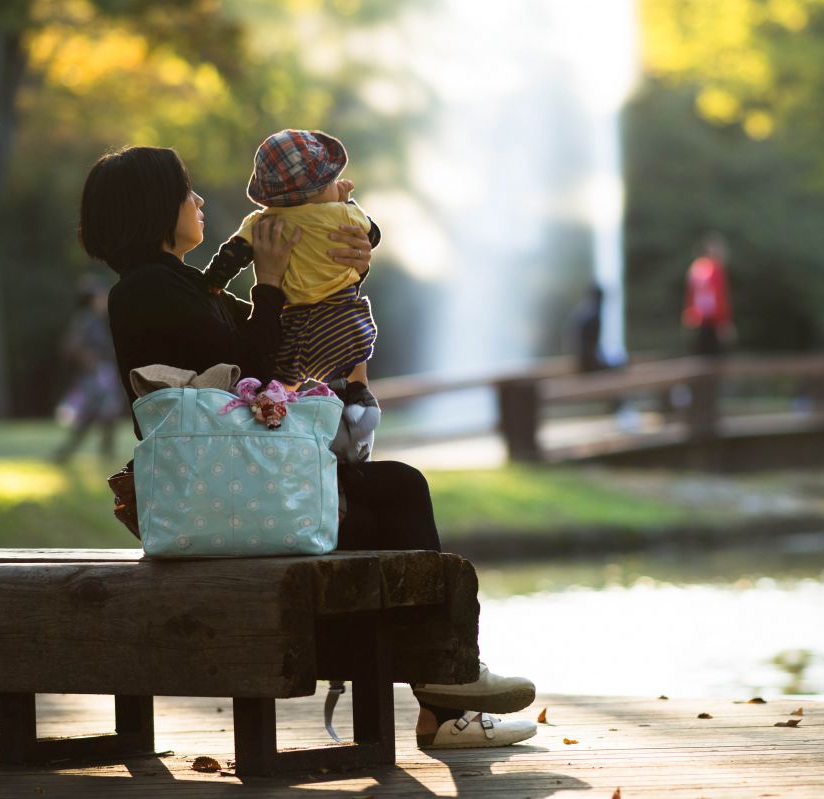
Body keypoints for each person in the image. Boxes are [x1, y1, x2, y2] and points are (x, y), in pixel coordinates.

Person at [79, 145, 537, 750]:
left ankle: (445, 697)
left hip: (237, 477)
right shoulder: (144, 291)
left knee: (390, 499)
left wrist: (341, 260)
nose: (198, 201)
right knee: (398, 492)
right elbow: (260, 363)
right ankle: (449, 688)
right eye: (184, 191)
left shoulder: (176, 284)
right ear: (151, 209)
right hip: (222, 489)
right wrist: (268, 281)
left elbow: (280, 340)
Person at [202, 129, 382, 464]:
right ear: (321, 188)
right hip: (343, 313)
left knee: (284, 375)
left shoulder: (263, 222)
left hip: (296, 323)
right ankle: (357, 402)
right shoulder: (344, 213)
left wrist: (213, 282)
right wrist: (345, 203)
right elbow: (372, 233)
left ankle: (276, 403)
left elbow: (232, 254)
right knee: (351, 359)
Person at [53, 277, 124, 464]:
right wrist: (91, 361)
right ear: (93, 300)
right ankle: (67, 454)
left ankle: (101, 453)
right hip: (97, 376)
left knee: (107, 413)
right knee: (96, 414)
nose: (104, 300)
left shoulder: (93, 320)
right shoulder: (86, 319)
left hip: (102, 374)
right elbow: (71, 345)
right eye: (100, 297)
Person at [682, 232, 734, 356]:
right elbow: (716, 299)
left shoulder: (696, 267)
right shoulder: (714, 269)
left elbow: (692, 295)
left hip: (696, 320)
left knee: (699, 360)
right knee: (713, 362)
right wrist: (722, 322)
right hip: (711, 322)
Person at [571, 284, 608, 373]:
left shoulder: (584, 310)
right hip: (587, 362)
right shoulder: (594, 315)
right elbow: (593, 346)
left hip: (580, 360)